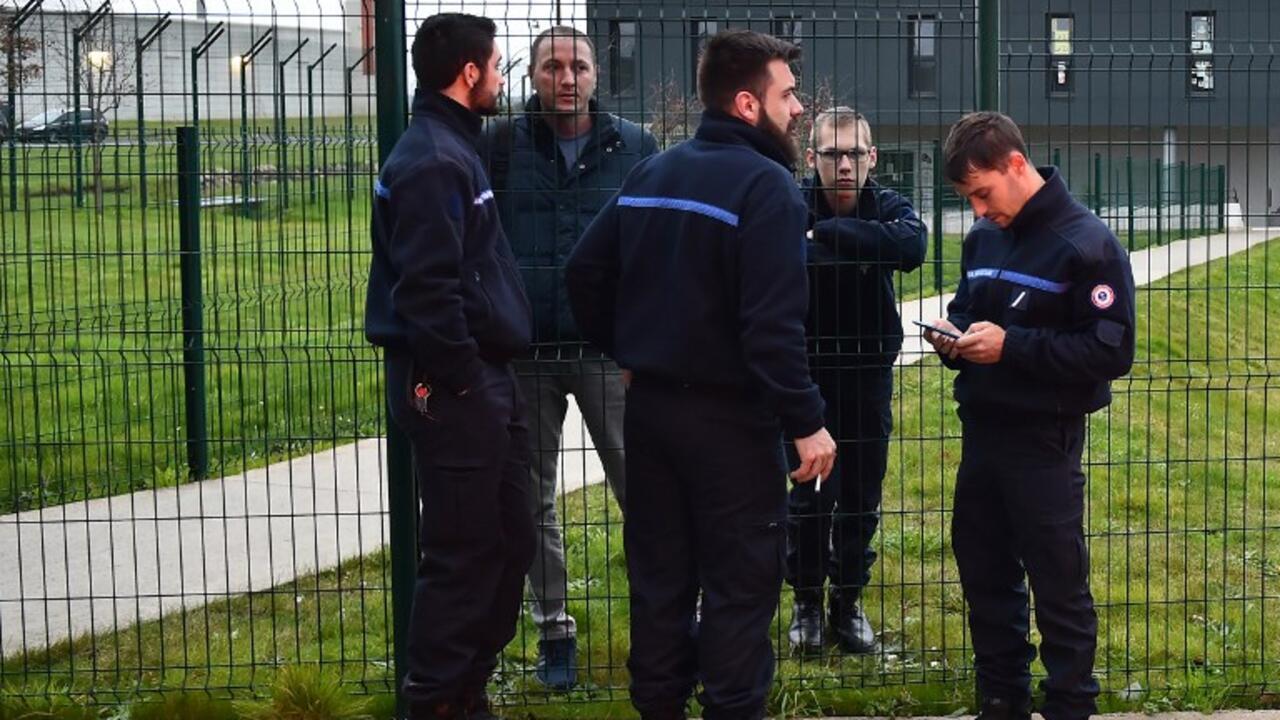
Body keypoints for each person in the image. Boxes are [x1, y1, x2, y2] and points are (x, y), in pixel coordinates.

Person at [565, 29, 837, 720]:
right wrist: (806, 421)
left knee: (660, 584)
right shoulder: (768, 188)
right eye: (788, 95)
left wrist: (629, 350)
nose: (799, 108)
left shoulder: (653, 173)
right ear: (747, 104)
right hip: (731, 427)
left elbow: (584, 272)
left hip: (652, 417)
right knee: (739, 591)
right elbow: (772, 329)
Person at [923, 111, 1135, 720]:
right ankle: (1001, 699)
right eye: (968, 199)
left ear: (1016, 164)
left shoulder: (1087, 244)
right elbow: (969, 309)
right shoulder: (983, 239)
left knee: (1057, 581)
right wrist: (953, 336)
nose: (978, 210)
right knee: (984, 573)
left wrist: (1011, 347)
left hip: (1045, 437)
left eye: (982, 193)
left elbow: (1111, 351)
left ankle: (1070, 703)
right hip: (982, 430)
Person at [364, 13, 534, 720]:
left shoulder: (456, 147)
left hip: (485, 378)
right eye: (496, 66)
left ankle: (466, 691)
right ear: (469, 72)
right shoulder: (434, 161)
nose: (500, 78)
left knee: (510, 540)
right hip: (457, 385)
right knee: (464, 554)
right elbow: (427, 290)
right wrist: (463, 378)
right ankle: (435, 702)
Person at [482, 25, 658, 691]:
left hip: (609, 350)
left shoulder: (634, 146)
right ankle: (554, 629)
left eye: (578, 66)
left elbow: (651, 244)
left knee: (644, 489)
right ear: (531, 75)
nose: (566, 78)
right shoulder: (501, 145)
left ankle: (662, 621)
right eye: (552, 66)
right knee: (530, 500)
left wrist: (640, 338)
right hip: (525, 351)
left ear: (595, 75)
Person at [786, 107, 927, 655]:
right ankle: (806, 604)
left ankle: (848, 602)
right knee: (808, 498)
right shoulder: (791, 201)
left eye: (853, 154)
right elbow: (784, 255)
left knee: (861, 498)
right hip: (807, 375)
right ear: (812, 157)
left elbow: (911, 247)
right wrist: (866, 244)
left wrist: (826, 234)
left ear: (871, 157)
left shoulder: (886, 204)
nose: (843, 165)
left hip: (868, 375)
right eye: (831, 154)